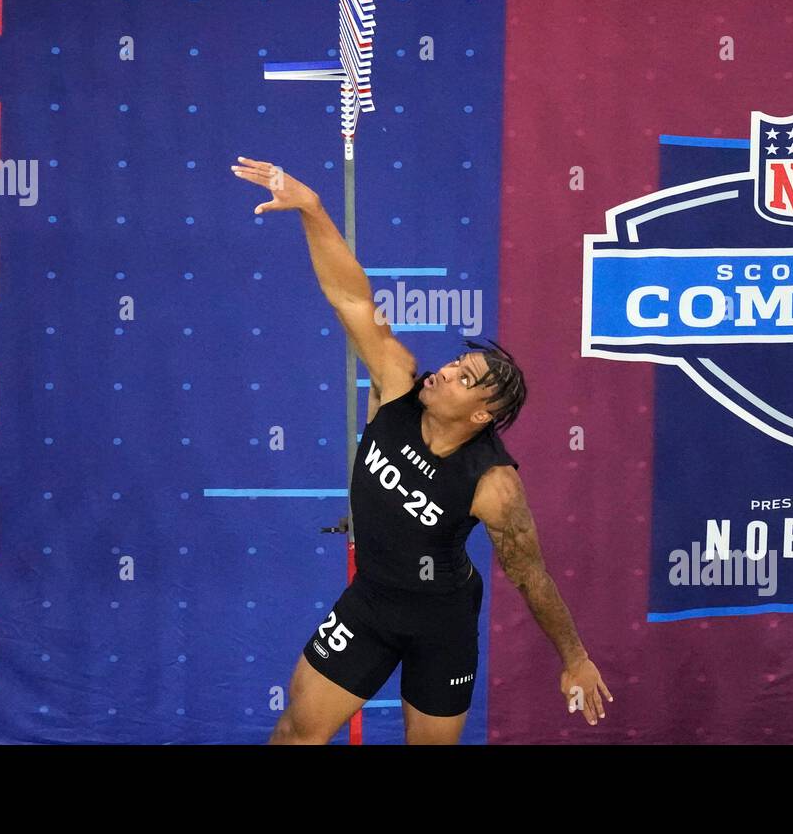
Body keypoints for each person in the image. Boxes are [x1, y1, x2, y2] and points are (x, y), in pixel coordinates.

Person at [230, 156, 612, 744]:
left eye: (464, 378)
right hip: (371, 605)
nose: (448, 372)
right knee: (295, 734)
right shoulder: (397, 383)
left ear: (482, 414)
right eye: (457, 362)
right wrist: (311, 208)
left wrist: (575, 656)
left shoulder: (493, 484)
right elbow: (350, 298)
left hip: (443, 626)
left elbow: (529, 574)